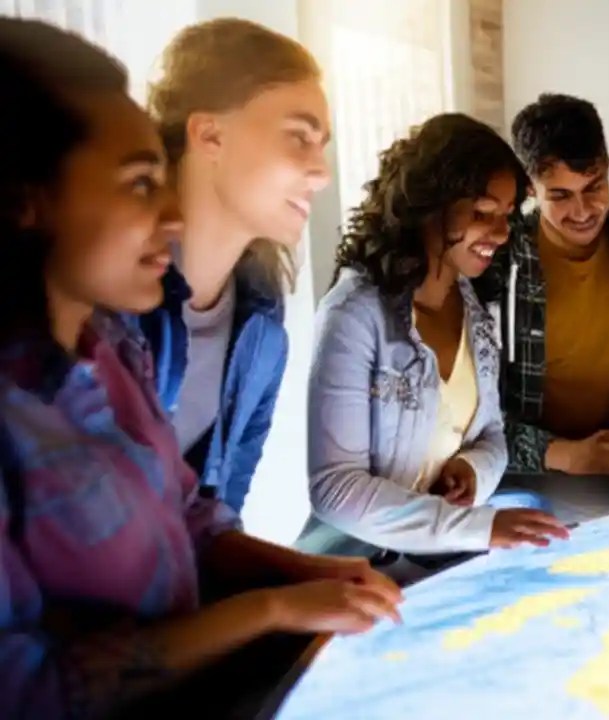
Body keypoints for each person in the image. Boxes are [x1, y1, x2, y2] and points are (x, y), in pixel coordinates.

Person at [0, 20, 400, 719]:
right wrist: (271, 607)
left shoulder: (115, 354)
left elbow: (197, 517)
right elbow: (28, 687)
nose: (171, 216)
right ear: (24, 201)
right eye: (137, 184)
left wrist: (309, 578)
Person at [296, 114, 570, 580]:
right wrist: (476, 527)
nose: (502, 235)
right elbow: (335, 489)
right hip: (349, 572)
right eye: (483, 213)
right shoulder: (355, 314)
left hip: (429, 566)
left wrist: (470, 468)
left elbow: (493, 437)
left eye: (506, 217)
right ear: (429, 204)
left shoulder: (474, 311)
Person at [139, 18, 332, 513]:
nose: (322, 173)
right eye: (298, 138)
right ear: (209, 135)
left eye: (321, 146)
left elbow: (221, 516)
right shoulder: (103, 298)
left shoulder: (263, 327)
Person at [475, 93, 609, 520]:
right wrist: (562, 455)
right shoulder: (491, 261)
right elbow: (472, 406)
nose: (582, 210)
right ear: (529, 187)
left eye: (594, 187)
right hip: (518, 488)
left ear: (608, 167)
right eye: (560, 195)